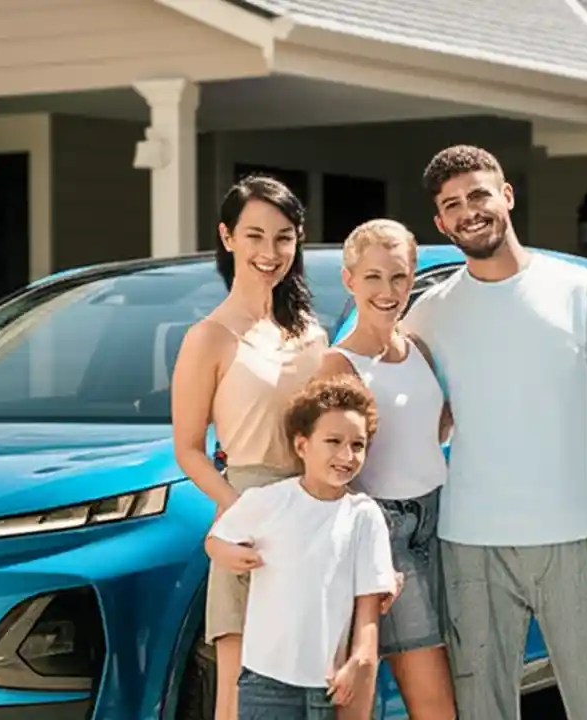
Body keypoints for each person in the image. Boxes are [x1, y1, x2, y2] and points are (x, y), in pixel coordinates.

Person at [402, 145, 587, 720]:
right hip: (469, 541)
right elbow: (404, 408)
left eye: (479, 194)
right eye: (452, 204)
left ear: (506, 196)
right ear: (440, 222)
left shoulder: (580, 291)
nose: (469, 211)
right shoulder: (429, 313)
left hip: (578, 538)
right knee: (483, 709)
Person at [171, 174, 328, 720]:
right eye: (255, 235)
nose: (270, 251)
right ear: (227, 237)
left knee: (316, 686)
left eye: (283, 237)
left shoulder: (311, 333)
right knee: (239, 695)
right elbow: (189, 448)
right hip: (250, 521)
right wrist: (243, 514)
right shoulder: (209, 337)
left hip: (315, 515)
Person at [314, 219, 457, 720]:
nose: (387, 290)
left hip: (444, 521)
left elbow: (435, 428)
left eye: (398, 277)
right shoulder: (338, 364)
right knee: (433, 703)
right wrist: (374, 561)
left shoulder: (418, 349)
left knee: (454, 680)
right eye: (373, 277)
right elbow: (332, 468)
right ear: (349, 280)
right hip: (388, 530)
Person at [205, 375, 397, 720]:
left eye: (358, 445)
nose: (346, 455)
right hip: (266, 681)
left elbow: (368, 609)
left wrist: (359, 661)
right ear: (302, 445)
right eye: (333, 441)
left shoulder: (364, 516)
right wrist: (227, 553)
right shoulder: (268, 502)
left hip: (328, 684)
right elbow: (216, 539)